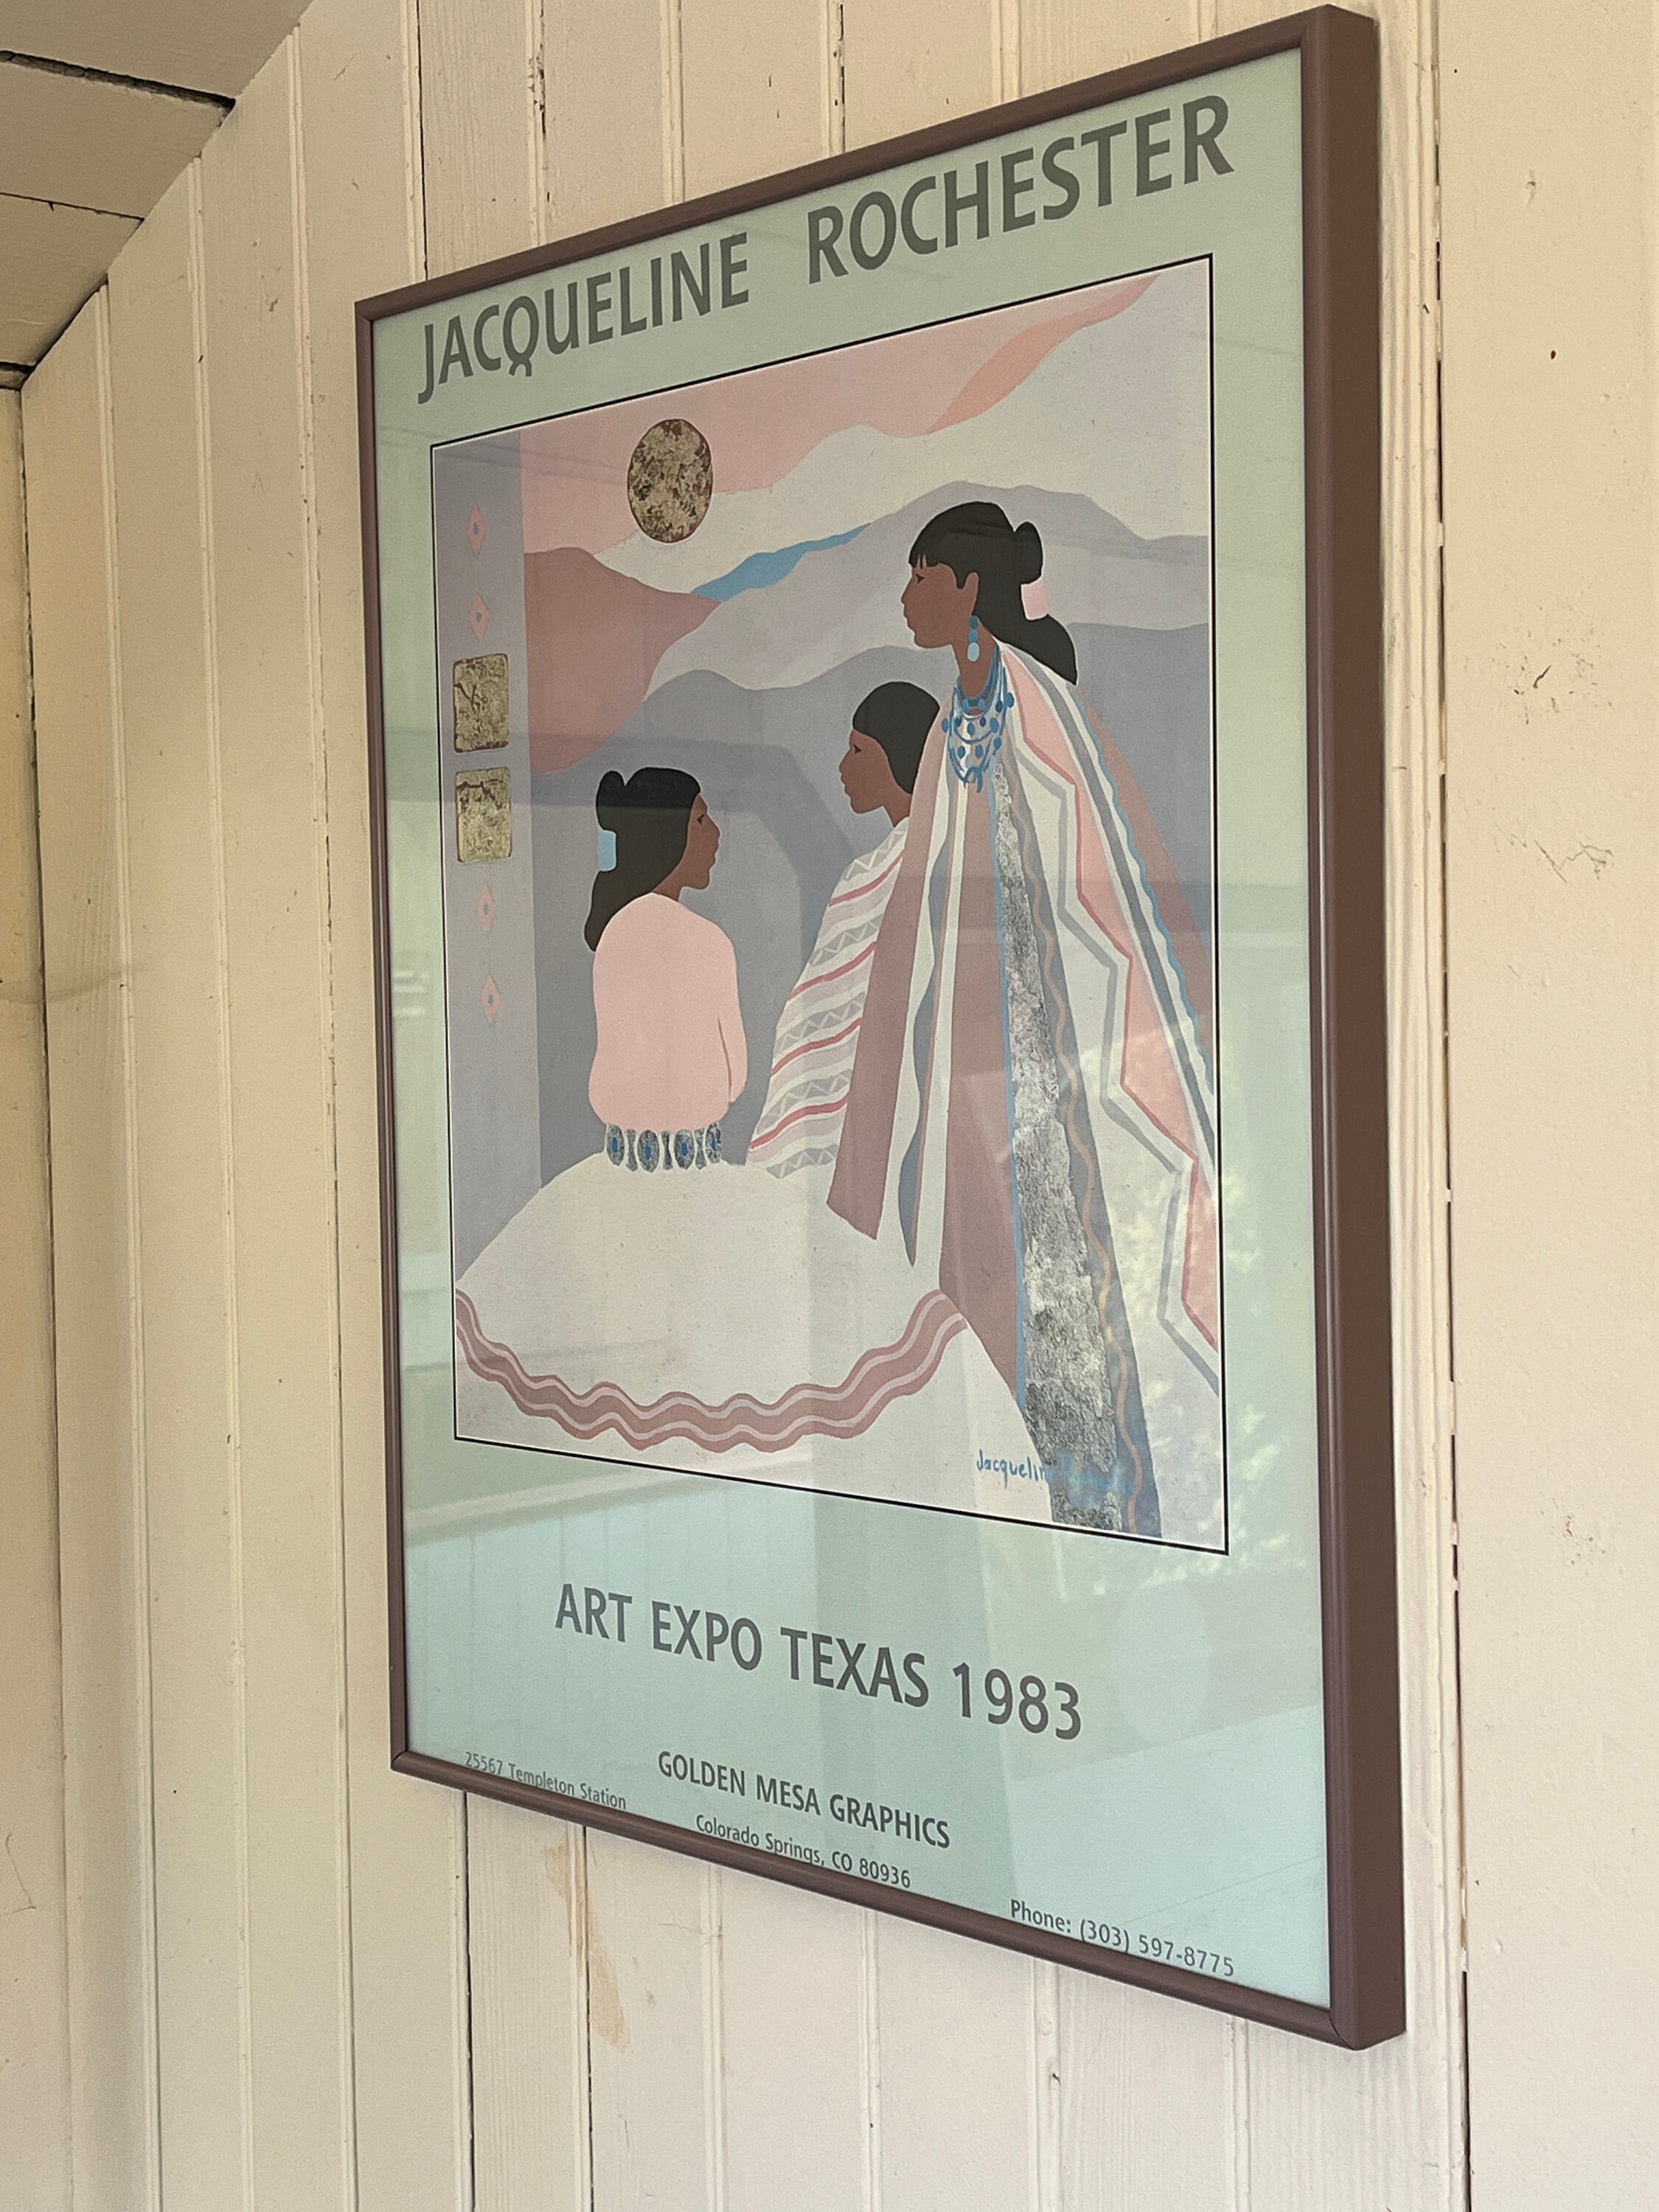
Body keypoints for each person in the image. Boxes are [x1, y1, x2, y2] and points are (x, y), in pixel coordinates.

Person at [453, 761, 1054, 1524]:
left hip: (613, 1174)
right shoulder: (706, 942)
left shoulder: (614, 939)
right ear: (675, 832)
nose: (715, 835)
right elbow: (733, 1073)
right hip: (697, 1176)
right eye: (703, 820)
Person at [828, 503, 1222, 1544]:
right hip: (973, 1049)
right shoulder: (952, 722)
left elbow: (1090, 869)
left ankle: (1082, 1481)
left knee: (1060, 1251)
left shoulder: (1036, 701)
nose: (906, 598)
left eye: (921, 577)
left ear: (965, 586)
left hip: (1047, 1037)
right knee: (976, 1247)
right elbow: (927, 903)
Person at [748, 682, 936, 1180]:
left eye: (857, 751)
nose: (842, 767)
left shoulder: (881, 873)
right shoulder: (892, 865)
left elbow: (824, 1023)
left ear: (896, 756)